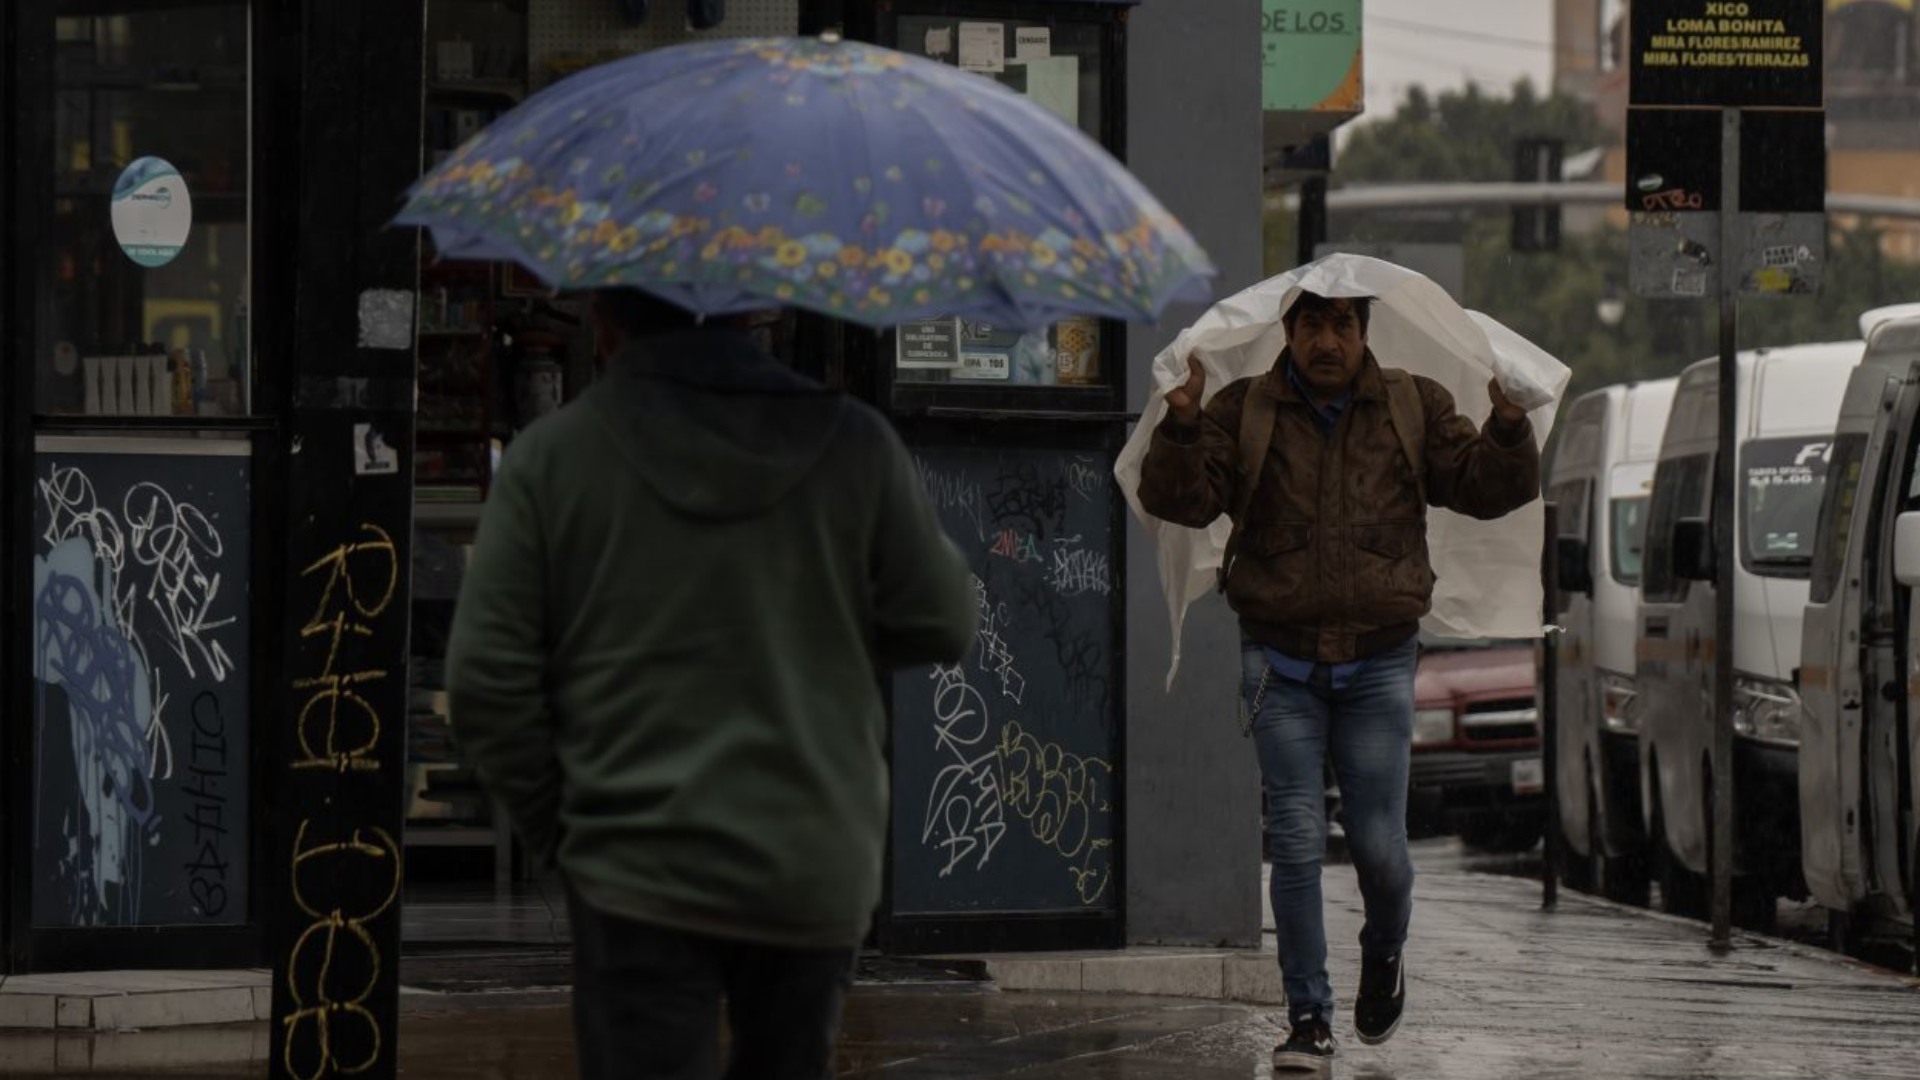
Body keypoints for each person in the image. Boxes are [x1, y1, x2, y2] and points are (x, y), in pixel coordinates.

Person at [446, 287, 977, 1080]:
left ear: (603, 322)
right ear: (754, 314)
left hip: (635, 865)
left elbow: (486, 685)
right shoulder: (855, 446)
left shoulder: (555, 457)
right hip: (810, 858)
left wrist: (560, 826)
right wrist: (824, 623)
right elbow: (943, 620)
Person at [1136, 291, 1539, 1074]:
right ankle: (1309, 1019)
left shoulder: (1412, 405)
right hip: (1277, 663)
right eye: (1312, 325)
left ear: (1364, 333)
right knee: (1291, 839)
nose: (1328, 341)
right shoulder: (1243, 408)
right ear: (1288, 333)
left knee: (1381, 849)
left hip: (1381, 661)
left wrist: (1510, 427)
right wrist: (1180, 421)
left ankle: (1383, 952)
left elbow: (1484, 486)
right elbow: (1177, 499)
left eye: (1343, 326)